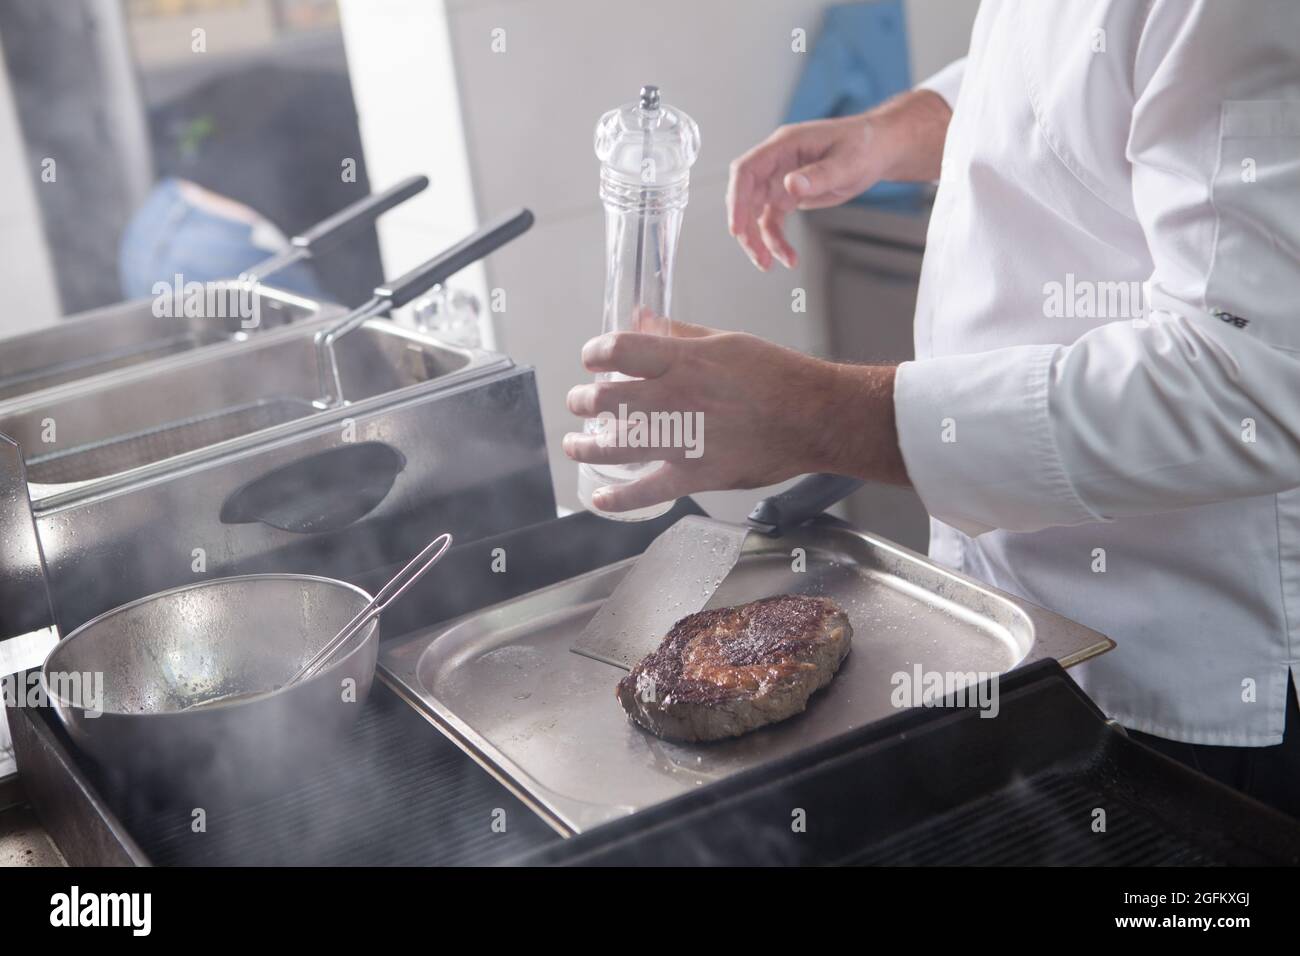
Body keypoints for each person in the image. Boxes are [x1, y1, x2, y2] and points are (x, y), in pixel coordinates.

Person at [564, 0, 1300, 815]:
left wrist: (819, 414)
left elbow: (1253, 385)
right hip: (1013, 624)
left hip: (1181, 694)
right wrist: (897, 131)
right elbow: (1060, 80)